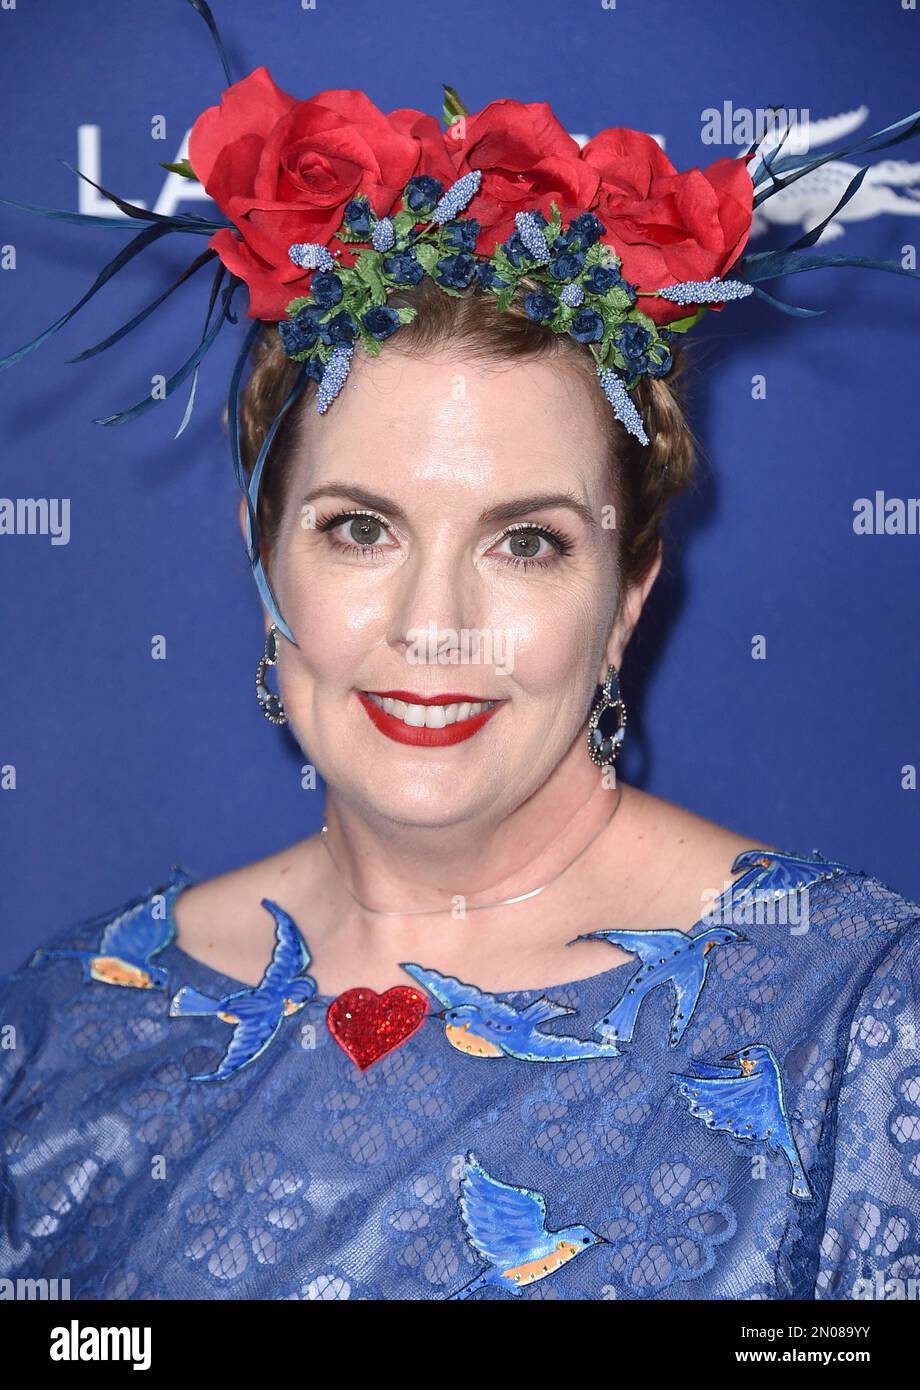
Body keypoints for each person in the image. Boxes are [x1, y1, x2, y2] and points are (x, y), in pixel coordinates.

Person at [1, 12, 919, 1300]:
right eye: (361, 528)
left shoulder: (864, 1035)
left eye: (527, 543)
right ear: (266, 566)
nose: (434, 622)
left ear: (628, 597)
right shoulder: (63, 1037)